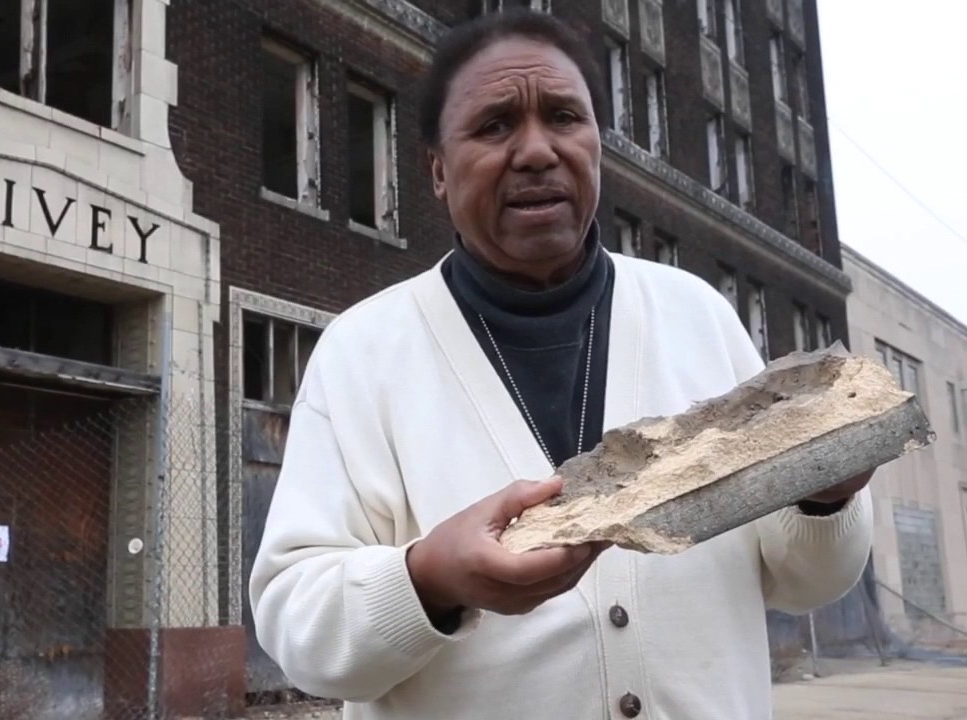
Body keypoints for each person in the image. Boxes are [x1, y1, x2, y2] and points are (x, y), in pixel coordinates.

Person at [248, 9, 875, 719]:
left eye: (564, 117)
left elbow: (805, 581)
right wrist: (428, 580)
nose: (536, 150)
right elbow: (298, 627)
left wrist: (824, 498)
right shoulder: (364, 352)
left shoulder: (697, 316)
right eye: (494, 126)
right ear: (437, 170)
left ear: (597, 145)